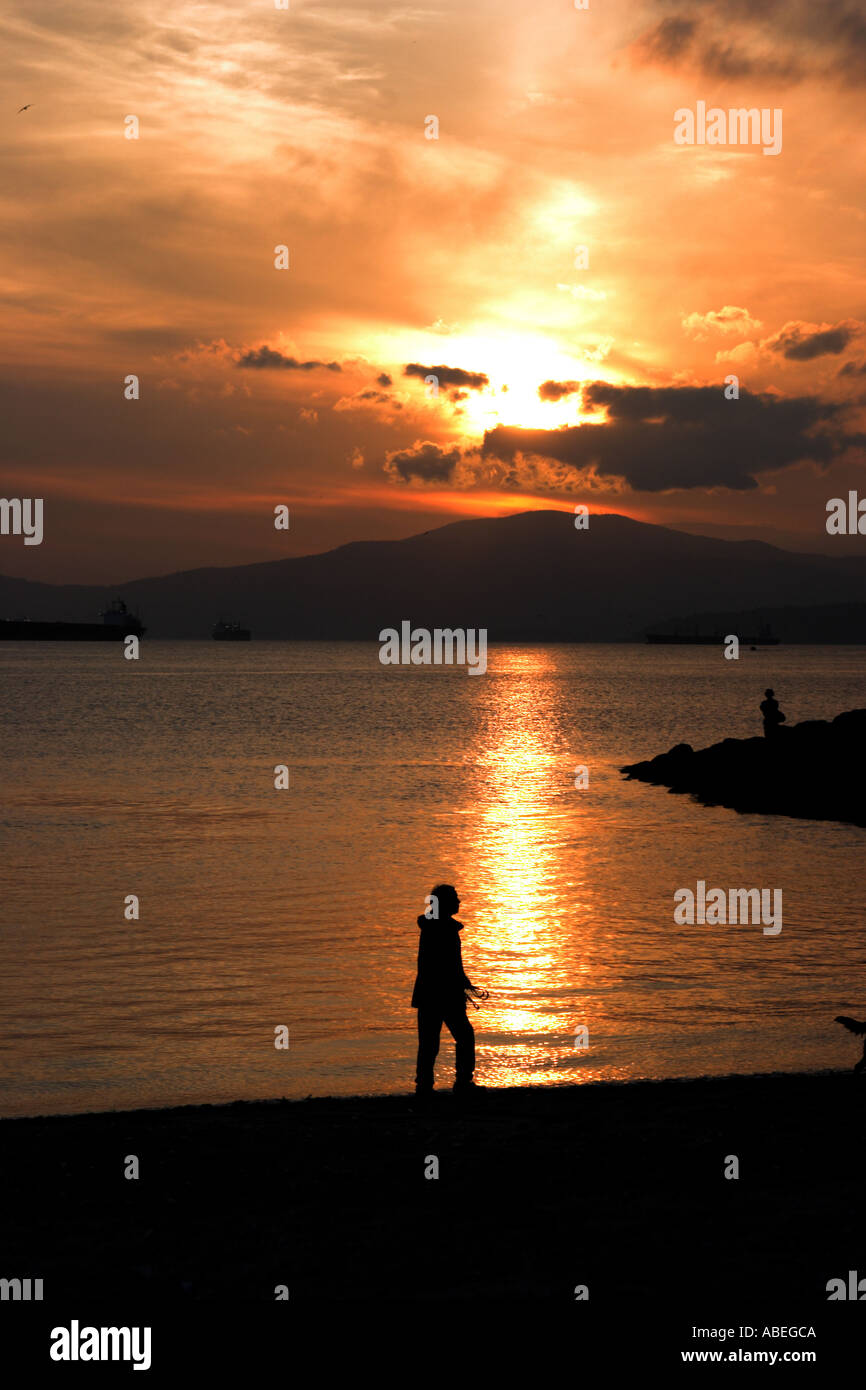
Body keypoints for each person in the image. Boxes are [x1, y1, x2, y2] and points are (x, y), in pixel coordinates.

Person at [412, 884, 488, 1095]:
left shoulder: (433, 927)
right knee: (464, 1036)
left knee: (429, 1042)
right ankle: (462, 1083)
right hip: (444, 994)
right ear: (444, 903)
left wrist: (463, 981)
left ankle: (424, 1085)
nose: (459, 901)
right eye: (455, 898)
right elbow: (446, 964)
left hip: (428, 993)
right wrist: (461, 982)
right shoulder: (443, 929)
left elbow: (437, 963)